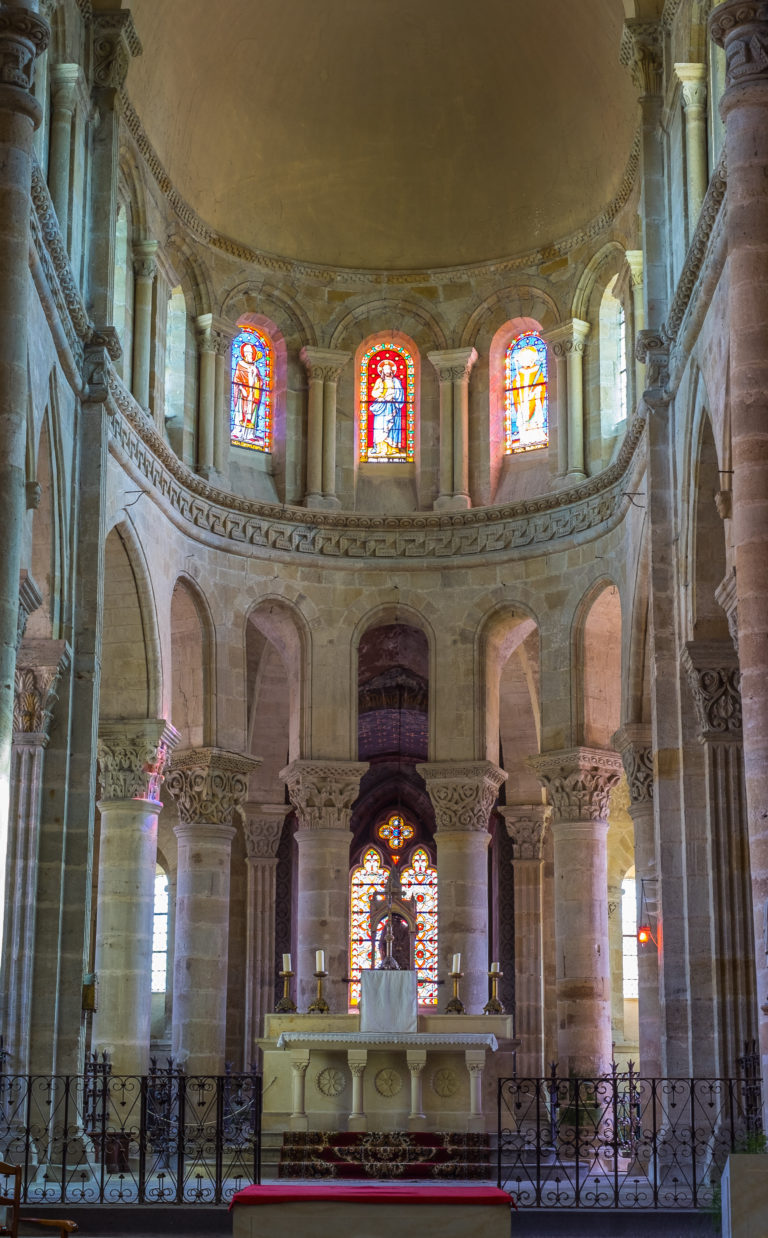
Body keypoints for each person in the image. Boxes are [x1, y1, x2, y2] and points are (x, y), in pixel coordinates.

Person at [368, 357, 404, 457]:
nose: (387, 371)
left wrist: (393, 394)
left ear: (392, 370)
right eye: (385, 369)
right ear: (382, 371)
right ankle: (380, 448)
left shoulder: (396, 381)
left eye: (389, 369)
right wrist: (382, 394)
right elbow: (374, 393)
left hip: (393, 406)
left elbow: (400, 393)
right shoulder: (379, 381)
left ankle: (392, 449)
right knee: (380, 427)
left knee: (392, 427)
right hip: (382, 406)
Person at [232, 339, 264, 445]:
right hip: (243, 395)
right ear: (244, 354)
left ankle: (250, 434)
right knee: (240, 413)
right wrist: (242, 390)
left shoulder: (255, 367)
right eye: (249, 353)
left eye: (252, 353)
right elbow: (236, 380)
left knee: (252, 415)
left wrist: (256, 376)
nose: (250, 355)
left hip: (252, 396)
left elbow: (260, 382)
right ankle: (238, 431)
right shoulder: (240, 364)